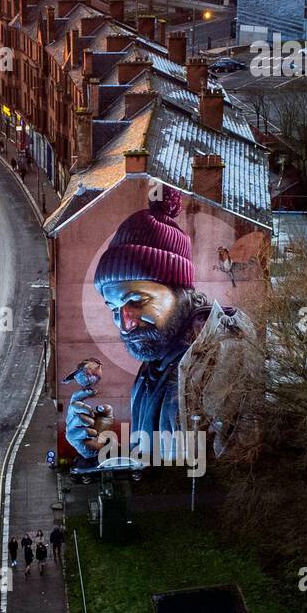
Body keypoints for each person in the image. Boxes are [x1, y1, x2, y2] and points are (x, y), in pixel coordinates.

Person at [65, 187, 261, 463]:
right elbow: (155, 469)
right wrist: (98, 451)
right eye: (113, 309)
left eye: (136, 300)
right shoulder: (160, 361)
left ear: (180, 290)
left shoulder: (223, 356)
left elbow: (223, 485)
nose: (125, 324)